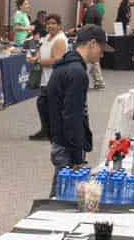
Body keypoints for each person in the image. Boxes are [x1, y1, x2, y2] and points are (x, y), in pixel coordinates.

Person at [45, 26, 111, 171]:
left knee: (60, 188)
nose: (102, 56)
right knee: (64, 191)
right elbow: (73, 115)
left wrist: (53, 135)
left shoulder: (63, 66)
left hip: (60, 140)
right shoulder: (77, 73)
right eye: (101, 49)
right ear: (92, 43)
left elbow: (44, 102)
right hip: (68, 146)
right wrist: (77, 157)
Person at [29, 13, 68, 142]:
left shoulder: (60, 39)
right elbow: (41, 51)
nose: (50, 26)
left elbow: (57, 60)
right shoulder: (47, 37)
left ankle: (51, 132)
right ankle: (46, 130)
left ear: (59, 25)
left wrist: (38, 62)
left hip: (55, 77)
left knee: (48, 104)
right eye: (48, 23)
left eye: (53, 23)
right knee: (44, 104)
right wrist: (35, 58)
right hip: (45, 77)